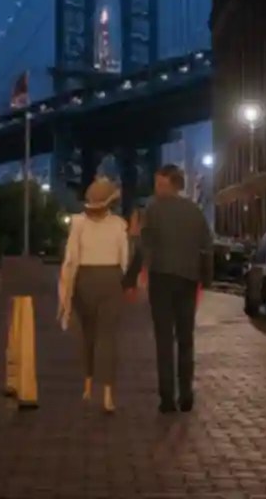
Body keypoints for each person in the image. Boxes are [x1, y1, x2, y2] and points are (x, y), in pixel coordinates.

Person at [124, 164, 213, 413]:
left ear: (170, 184)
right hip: (188, 280)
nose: (156, 189)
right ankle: (186, 396)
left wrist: (129, 280)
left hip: (162, 279)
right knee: (186, 339)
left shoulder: (153, 209)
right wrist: (206, 280)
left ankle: (167, 398)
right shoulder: (195, 211)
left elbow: (143, 248)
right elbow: (207, 247)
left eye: (159, 184)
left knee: (164, 339)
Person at [57, 177, 129, 414]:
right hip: (111, 281)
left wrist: (65, 291)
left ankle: (87, 384)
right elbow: (124, 260)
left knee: (88, 333)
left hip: (84, 281)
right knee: (107, 337)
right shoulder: (120, 225)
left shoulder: (77, 223)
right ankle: (107, 394)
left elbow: (70, 259)